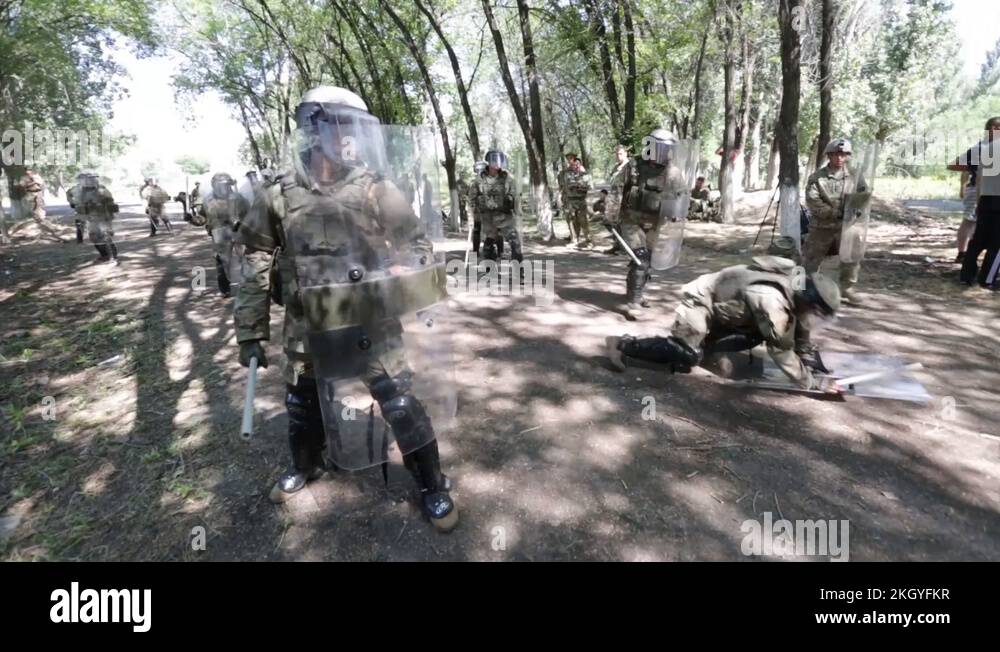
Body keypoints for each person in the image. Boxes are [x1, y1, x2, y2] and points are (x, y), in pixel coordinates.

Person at [233, 85, 458, 531]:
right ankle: (307, 464)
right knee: (302, 403)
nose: (352, 136)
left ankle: (431, 483)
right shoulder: (277, 195)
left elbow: (417, 245)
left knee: (399, 402)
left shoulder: (376, 189)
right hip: (308, 326)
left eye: (357, 128)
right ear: (315, 130)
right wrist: (250, 332)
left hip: (370, 323)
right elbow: (255, 262)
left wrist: (403, 271)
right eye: (343, 125)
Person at [606, 257, 841, 391]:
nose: (813, 318)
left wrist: (808, 356)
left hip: (727, 305)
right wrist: (816, 383)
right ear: (808, 301)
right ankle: (623, 344)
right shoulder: (772, 300)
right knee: (687, 356)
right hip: (701, 300)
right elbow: (780, 349)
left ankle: (706, 348)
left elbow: (800, 325)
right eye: (816, 312)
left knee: (754, 335)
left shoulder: (797, 287)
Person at [619, 128, 689, 319]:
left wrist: (678, 212)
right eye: (662, 148)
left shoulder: (673, 172)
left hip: (655, 223)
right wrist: (609, 217)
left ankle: (637, 293)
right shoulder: (633, 167)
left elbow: (681, 196)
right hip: (631, 221)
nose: (665, 152)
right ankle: (632, 303)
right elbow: (616, 190)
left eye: (668, 149)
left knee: (647, 261)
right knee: (639, 259)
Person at [801, 138, 870, 303]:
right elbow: (813, 202)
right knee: (810, 259)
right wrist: (834, 213)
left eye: (844, 154)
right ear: (829, 155)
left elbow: (863, 195)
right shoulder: (817, 178)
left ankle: (847, 288)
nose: (840, 158)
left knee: (851, 257)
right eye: (836, 154)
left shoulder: (855, 175)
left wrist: (858, 208)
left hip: (846, 227)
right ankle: (806, 290)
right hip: (822, 227)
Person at [952, 117, 1000, 288]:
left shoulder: (988, 149)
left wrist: (980, 199)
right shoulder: (985, 148)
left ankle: (967, 275)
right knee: (995, 243)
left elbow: (980, 176)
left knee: (979, 238)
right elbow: (962, 167)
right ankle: (986, 279)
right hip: (992, 198)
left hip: (986, 198)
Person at [198, 172, 249, 297]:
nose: (223, 188)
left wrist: (242, 223)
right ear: (214, 185)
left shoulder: (239, 198)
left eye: (226, 185)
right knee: (221, 262)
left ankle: (247, 286)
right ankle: (225, 289)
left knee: (245, 259)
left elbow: (250, 215)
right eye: (221, 185)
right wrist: (191, 219)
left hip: (238, 232)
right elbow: (202, 219)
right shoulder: (208, 201)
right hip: (219, 234)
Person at [468, 150, 522, 263]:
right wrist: (471, 217)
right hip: (489, 220)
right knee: (488, 248)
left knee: (515, 243)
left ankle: (519, 272)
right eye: (494, 161)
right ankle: (489, 271)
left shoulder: (507, 179)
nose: (496, 166)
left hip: (505, 218)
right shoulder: (479, 180)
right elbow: (472, 199)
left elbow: (515, 196)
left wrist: (517, 211)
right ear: (489, 163)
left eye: (498, 162)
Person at [67, 172, 119, 264]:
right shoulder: (79, 191)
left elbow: (111, 204)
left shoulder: (102, 190)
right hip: (90, 218)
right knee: (94, 237)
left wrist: (107, 213)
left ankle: (113, 257)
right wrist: (73, 203)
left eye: (89, 179)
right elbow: (70, 195)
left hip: (103, 217)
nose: (86, 182)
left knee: (106, 236)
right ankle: (104, 255)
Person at [15, 168, 64, 242]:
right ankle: (42, 228)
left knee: (41, 213)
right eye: (27, 171)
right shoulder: (24, 178)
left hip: (38, 195)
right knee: (35, 213)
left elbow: (41, 184)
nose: (29, 172)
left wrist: (35, 183)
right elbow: (21, 186)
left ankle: (46, 228)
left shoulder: (36, 176)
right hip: (30, 195)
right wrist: (31, 183)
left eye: (30, 171)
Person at [602, 144, 630, 255]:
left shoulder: (629, 166)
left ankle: (625, 248)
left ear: (625, 154)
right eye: (617, 154)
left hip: (624, 198)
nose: (618, 156)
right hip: (614, 199)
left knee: (623, 223)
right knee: (612, 223)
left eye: (620, 154)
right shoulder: (616, 167)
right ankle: (616, 245)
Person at [561, 156, 592, 248]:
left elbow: (590, 187)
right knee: (572, 221)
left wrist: (580, 185)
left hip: (581, 200)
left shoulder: (586, 175)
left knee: (584, 221)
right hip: (570, 201)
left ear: (580, 164)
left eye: (578, 164)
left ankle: (589, 241)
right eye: (574, 164)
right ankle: (574, 240)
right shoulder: (568, 174)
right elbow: (564, 185)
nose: (576, 166)